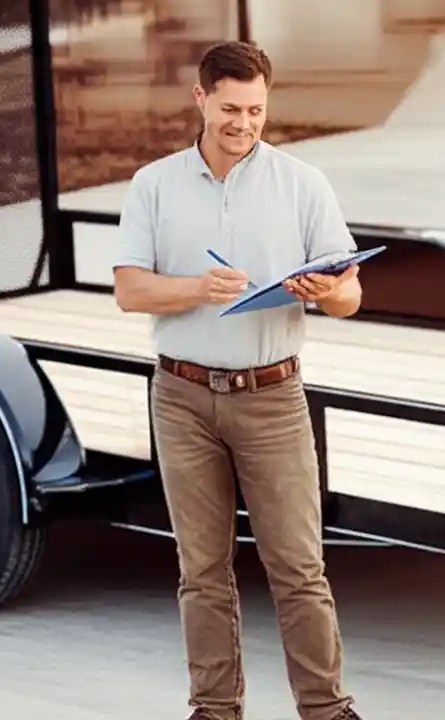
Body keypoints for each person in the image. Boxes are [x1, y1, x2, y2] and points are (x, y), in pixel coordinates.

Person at [111, 40, 364, 720]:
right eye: (230, 109)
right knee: (202, 572)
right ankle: (213, 710)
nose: (243, 124)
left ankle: (327, 709)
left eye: (255, 110)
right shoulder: (154, 185)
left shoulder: (303, 184)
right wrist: (196, 287)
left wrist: (323, 291)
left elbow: (351, 295)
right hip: (183, 398)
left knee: (299, 570)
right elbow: (130, 291)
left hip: (273, 397)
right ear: (200, 99)